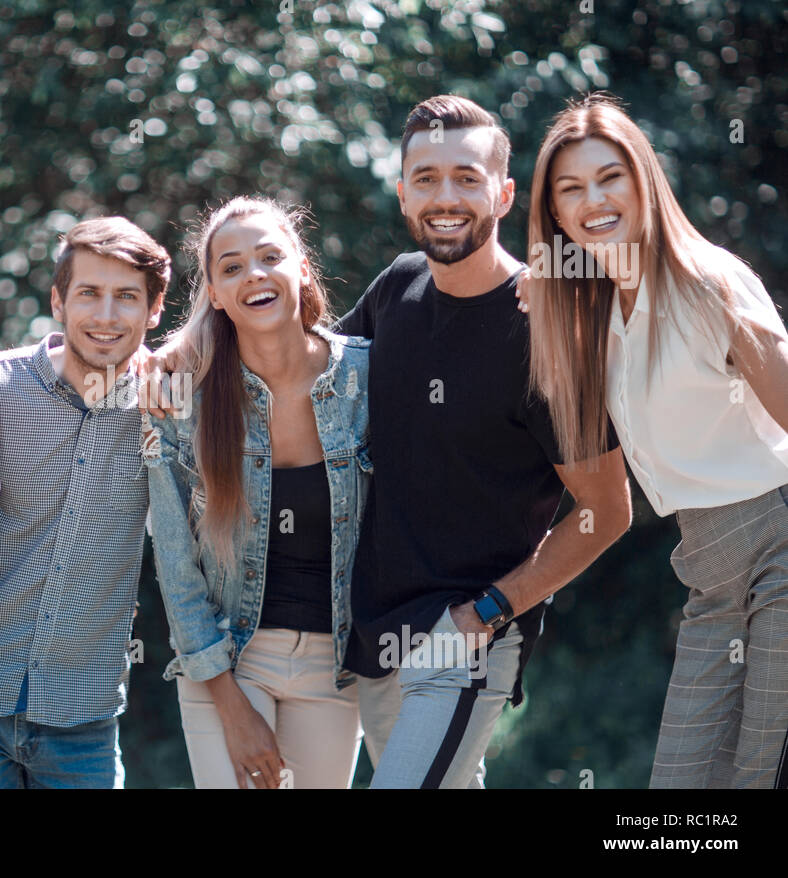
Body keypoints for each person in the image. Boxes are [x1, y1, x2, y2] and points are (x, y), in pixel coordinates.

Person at [333, 95, 632, 787]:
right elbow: (295, 372)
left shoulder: (545, 329)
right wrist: (177, 353)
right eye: (427, 177)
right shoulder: (396, 288)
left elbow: (606, 510)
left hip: (465, 641)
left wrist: (489, 611)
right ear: (403, 193)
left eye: (467, 178)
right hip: (373, 635)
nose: (446, 196)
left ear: (502, 194)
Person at [520, 94, 788, 789]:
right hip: (707, 573)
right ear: (554, 213)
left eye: (610, 177)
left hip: (779, 544)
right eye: (570, 189)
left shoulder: (709, 286)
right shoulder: (592, 310)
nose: (594, 199)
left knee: (755, 774)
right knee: (682, 789)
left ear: (644, 181)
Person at [142, 196, 371, 789]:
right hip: (226, 660)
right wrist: (228, 702)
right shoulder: (181, 398)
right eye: (232, 266)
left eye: (271, 256)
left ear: (301, 267)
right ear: (215, 292)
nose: (255, 276)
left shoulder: (365, 379)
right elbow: (176, 564)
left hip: (335, 664)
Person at [0, 216, 170, 788]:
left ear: (154, 312)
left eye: (127, 297)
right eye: (89, 294)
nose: (105, 315)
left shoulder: (170, 407)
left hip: (86, 719)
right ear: (58, 300)